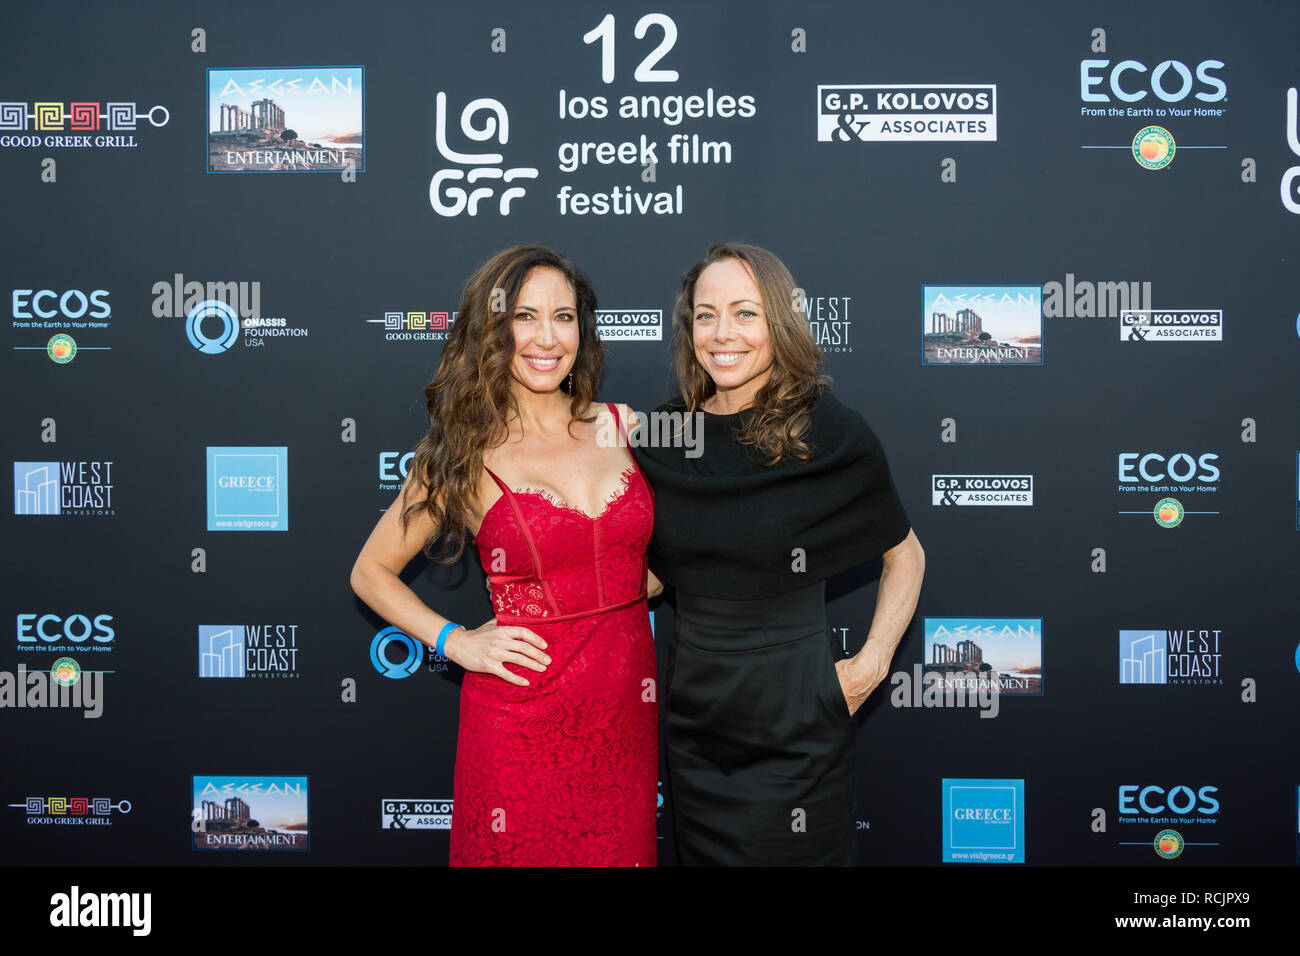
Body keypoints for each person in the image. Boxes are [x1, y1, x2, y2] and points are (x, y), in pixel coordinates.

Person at [350, 244, 658, 866]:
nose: (547, 337)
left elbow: (654, 567)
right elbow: (369, 571)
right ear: (493, 329)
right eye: (525, 316)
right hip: (519, 722)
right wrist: (455, 640)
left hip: (625, 717)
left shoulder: (625, 426)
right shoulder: (464, 453)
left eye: (564, 317)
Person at [633, 241, 925, 865]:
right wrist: (544, 606)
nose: (722, 334)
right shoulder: (662, 435)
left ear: (779, 323)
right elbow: (653, 574)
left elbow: (906, 554)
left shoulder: (829, 431)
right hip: (696, 719)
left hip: (800, 715)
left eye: (745, 312)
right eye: (705, 314)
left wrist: (870, 666)